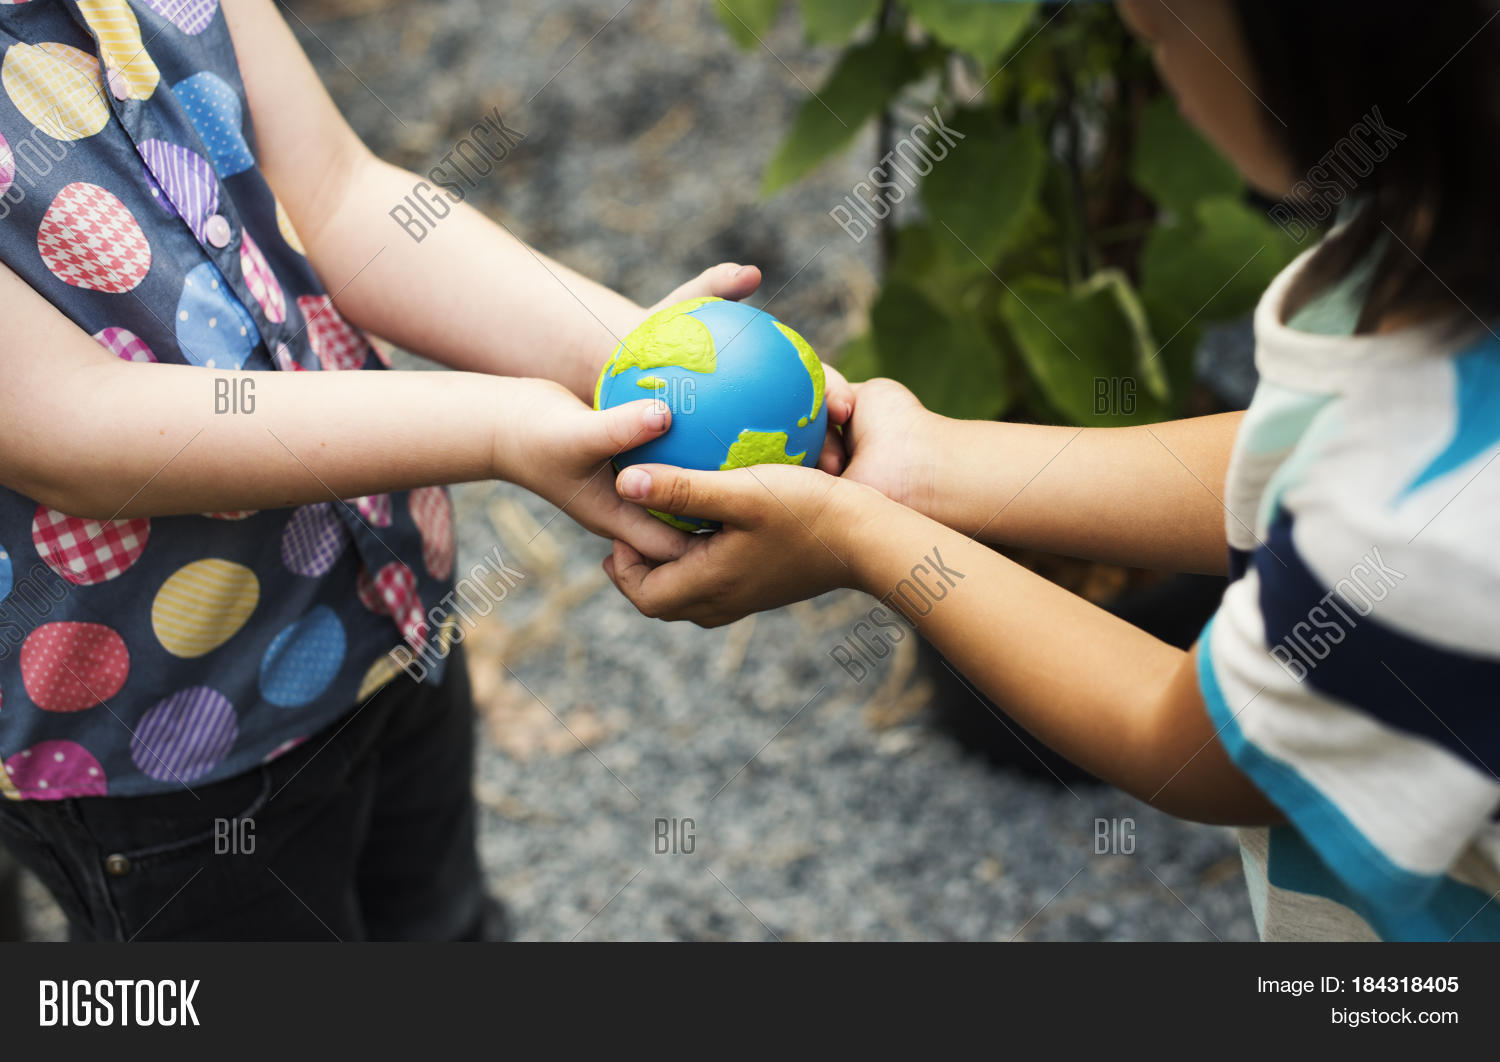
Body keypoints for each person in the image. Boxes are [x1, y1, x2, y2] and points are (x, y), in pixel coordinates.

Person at [603, 0, 1500, 942]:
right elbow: (1299, 455)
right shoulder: (1440, 249)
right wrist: (933, 469)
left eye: (1176, 12)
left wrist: (862, 538)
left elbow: (1189, 744)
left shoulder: (1418, 524)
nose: (1136, 13)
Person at [0, 0, 850, 940]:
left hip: (379, 602)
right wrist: (495, 426)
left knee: (438, 923)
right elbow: (78, 428)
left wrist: (649, 362)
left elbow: (335, 191)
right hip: (167, 742)